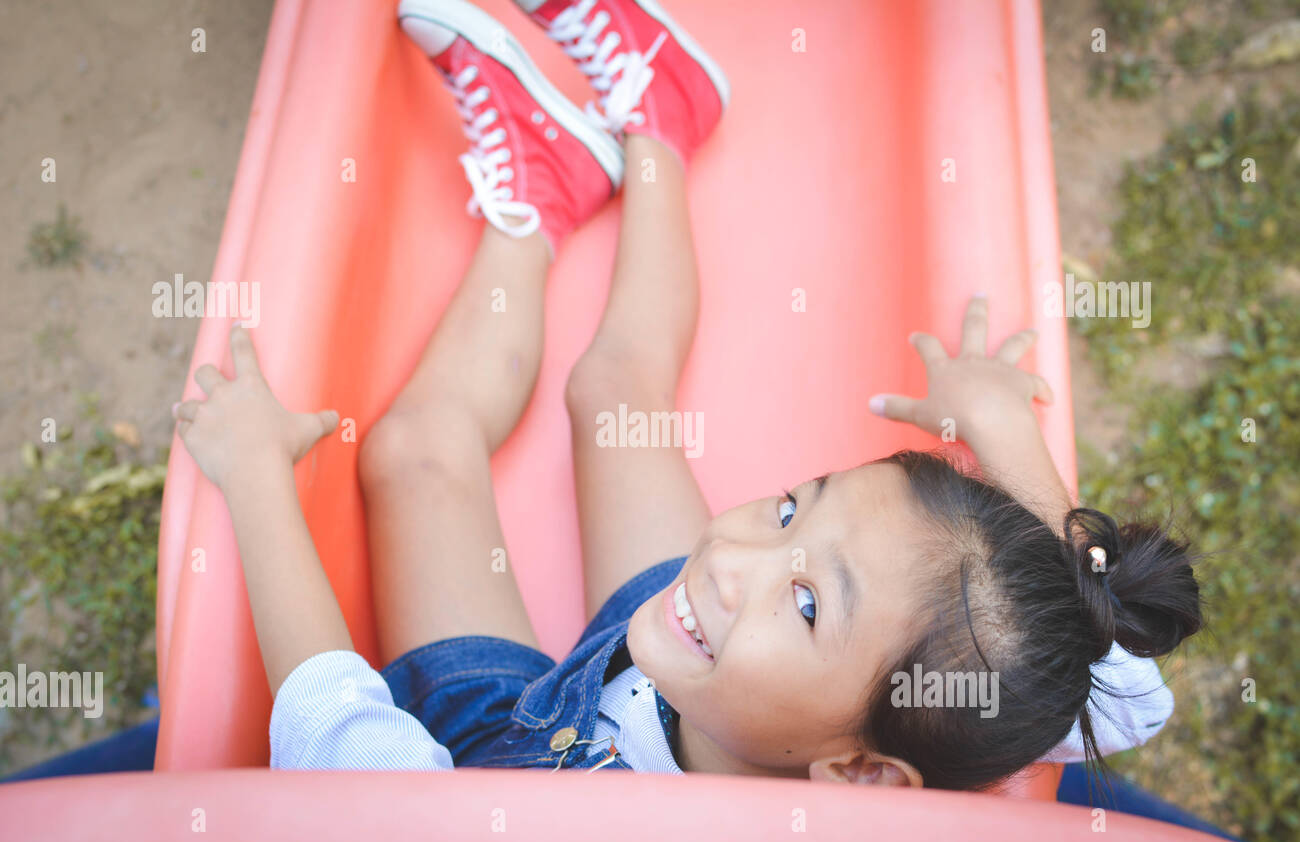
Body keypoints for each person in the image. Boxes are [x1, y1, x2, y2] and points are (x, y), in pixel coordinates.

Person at [171, 0, 1201, 789]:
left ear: (859, 774)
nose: (735, 551)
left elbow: (338, 737)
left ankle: (528, 205)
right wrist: (999, 429)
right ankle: (648, 126)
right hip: (678, 672)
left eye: (807, 600)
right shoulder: (845, 658)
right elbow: (1127, 693)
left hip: (495, 757)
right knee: (613, 389)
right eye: (792, 504)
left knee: (410, 453)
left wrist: (259, 474)